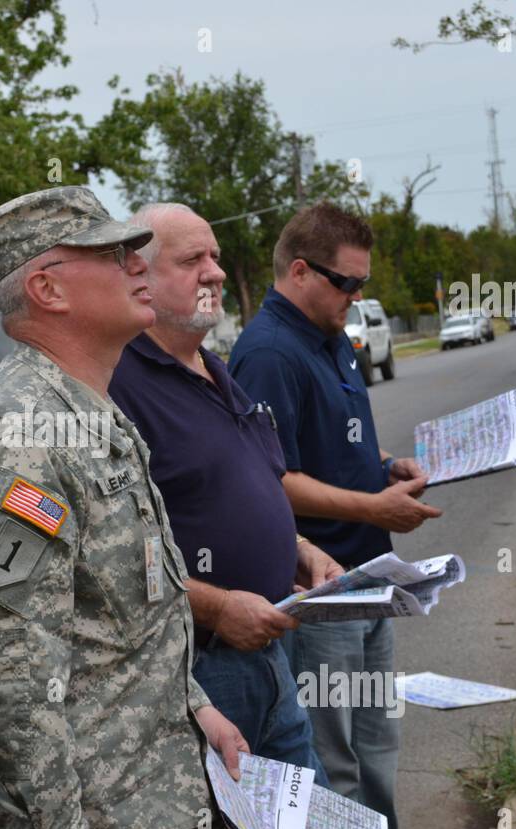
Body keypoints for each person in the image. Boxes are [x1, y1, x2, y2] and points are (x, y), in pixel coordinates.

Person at [0, 186, 251, 829]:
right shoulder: (24, 436)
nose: (139, 263)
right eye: (113, 252)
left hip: (147, 812)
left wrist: (197, 710)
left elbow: (123, 619)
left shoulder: (85, 412)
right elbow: (5, 677)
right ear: (48, 288)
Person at [229, 202, 443, 829]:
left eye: (362, 284)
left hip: (369, 583)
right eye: (347, 283)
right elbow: (273, 480)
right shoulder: (267, 353)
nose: (357, 296)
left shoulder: (333, 340)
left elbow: (330, 454)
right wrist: (374, 509)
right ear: (299, 271)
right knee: (334, 761)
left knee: (376, 749)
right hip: (320, 594)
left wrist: (385, 471)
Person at [108, 203, 342, 781]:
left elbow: (249, 489)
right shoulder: (119, 382)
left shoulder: (216, 367)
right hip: (201, 669)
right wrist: (217, 607)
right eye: (192, 260)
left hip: (270, 653)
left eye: (215, 256)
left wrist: (302, 551)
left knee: (303, 825)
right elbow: (112, 558)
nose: (214, 272)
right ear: (141, 276)